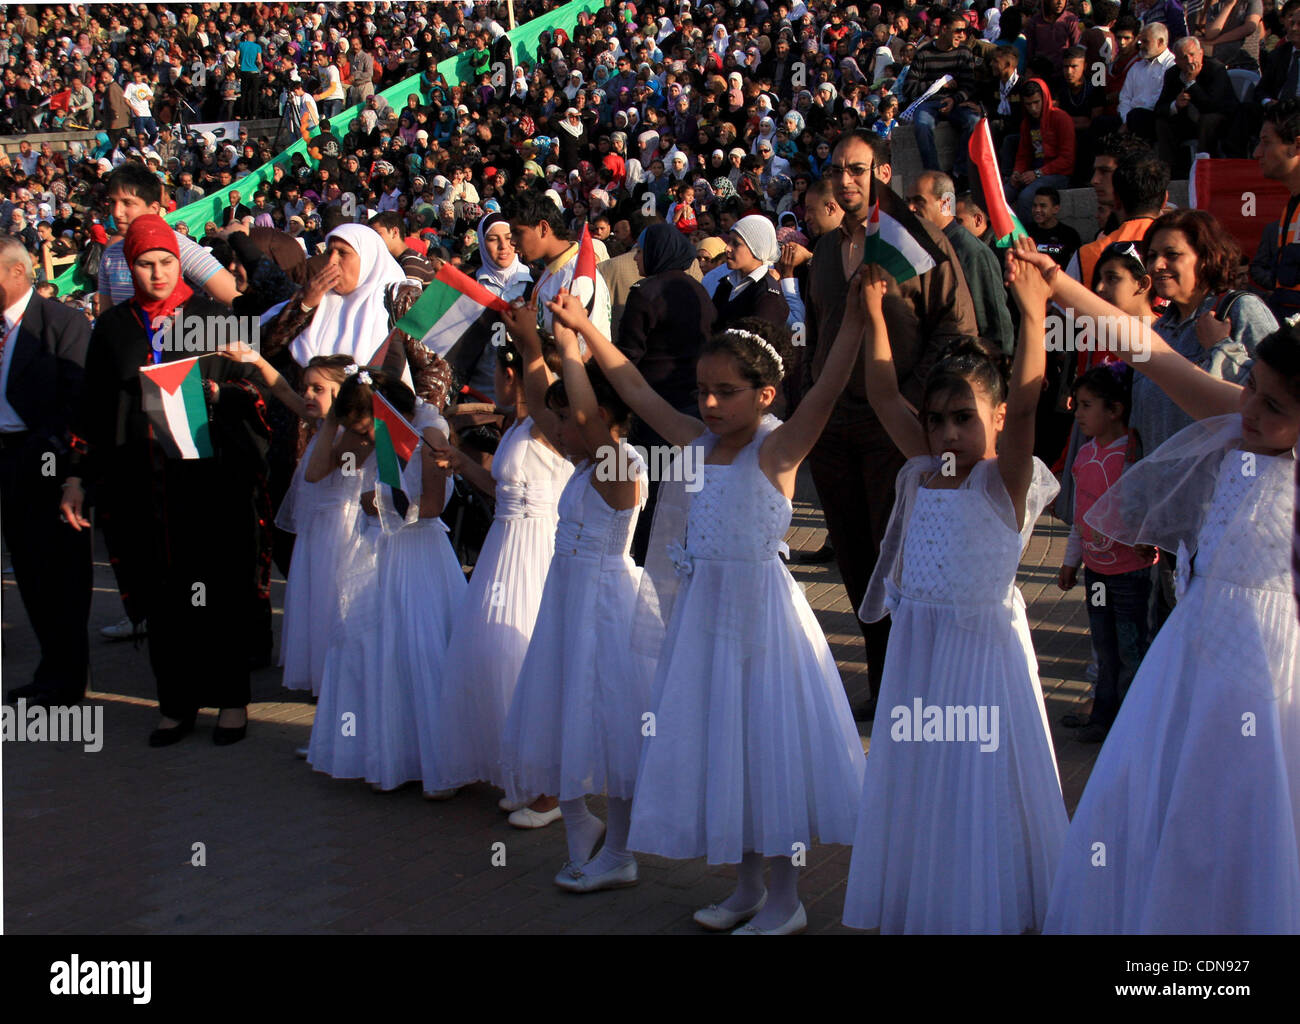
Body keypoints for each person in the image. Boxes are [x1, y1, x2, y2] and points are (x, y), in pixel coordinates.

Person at [553, 281, 866, 931]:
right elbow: (636, 389)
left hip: (761, 625)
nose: (712, 402)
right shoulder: (696, 442)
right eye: (704, 390)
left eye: (727, 391)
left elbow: (829, 392)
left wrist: (859, 324)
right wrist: (584, 330)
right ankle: (747, 887)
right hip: (705, 624)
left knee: (766, 748)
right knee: (729, 750)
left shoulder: (775, 449)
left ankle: (787, 896)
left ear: (767, 395)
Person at [1017, 245, 1300, 933]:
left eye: (1274, 405)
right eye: (1252, 388)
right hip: (1190, 664)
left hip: (1267, 680)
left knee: (1242, 821)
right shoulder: (1237, 420)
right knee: (1164, 802)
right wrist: (1063, 290)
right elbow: (1149, 352)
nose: (1252, 410)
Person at [842, 240, 1067, 934]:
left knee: (980, 781)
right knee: (926, 778)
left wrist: (1034, 318)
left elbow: (1029, 409)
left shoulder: (1003, 482)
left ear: (996, 419)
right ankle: (933, 894)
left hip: (981, 659)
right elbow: (882, 390)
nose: (945, 431)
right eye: (937, 418)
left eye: (963, 418)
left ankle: (987, 902)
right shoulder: (921, 467)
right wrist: (875, 316)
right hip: (918, 654)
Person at [61, 215, 270, 747]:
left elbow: (259, 393)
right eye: (145, 263)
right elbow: (92, 407)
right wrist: (76, 477)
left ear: (182, 263)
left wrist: (222, 397)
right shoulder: (113, 328)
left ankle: (230, 700)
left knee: (217, 589)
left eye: (166, 262)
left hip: (208, 485)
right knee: (165, 597)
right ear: (129, 266)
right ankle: (176, 704)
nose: (157, 273)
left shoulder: (215, 317)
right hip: (141, 486)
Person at [805, 130, 978, 714]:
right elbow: (818, 334)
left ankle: (913, 687)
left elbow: (956, 332)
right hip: (834, 432)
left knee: (898, 558)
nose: (845, 180)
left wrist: (905, 400)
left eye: (857, 169)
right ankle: (883, 683)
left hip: (894, 430)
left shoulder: (919, 241)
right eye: (836, 171)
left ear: (881, 172)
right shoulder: (826, 250)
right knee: (854, 563)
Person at [497, 295, 649, 878]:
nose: (555, 429)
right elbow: (546, 408)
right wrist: (534, 347)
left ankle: (621, 853)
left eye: (568, 419)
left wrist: (569, 346)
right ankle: (580, 819)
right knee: (567, 713)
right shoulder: (583, 464)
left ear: (604, 421)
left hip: (605, 608)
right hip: (568, 601)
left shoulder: (621, 468)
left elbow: (580, 419)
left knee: (614, 729)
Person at [427, 338, 573, 810]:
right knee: (488, 652)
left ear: (517, 376)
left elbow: (539, 380)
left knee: (522, 654)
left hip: (538, 548)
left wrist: (530, 342)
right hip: (503, 548)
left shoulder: (550, 428)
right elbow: (501, 489)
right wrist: (463, 462)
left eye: (498, 372)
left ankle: (546, 790)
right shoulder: (513, 426)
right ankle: (514, 770)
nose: (492, 381)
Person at [0, 238, 92, 709]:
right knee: (29, 577)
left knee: (58, 577)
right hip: (6, 459)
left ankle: (67, 677)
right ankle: (49, 670)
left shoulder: (61, 323)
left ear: (19, 273)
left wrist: (67, 470)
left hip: (45, 463)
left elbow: (77, 402)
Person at [1056, 362, 1156, 744]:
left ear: (1114, 410)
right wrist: (1070, 561)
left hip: (1131, 575)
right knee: (1105, 646)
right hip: (1097, 576)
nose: (1077, 412)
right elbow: (1082, 518)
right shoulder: (1083, 458)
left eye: (1086, 405)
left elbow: (1150, 508)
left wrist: (1151, 539)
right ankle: (1103, 716)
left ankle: (1133, 724)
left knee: (1132, 648)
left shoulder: (1133, 456)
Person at [620, 223, 718, 563]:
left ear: (658, 253)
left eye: (641, 250)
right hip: (693, 412)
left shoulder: (645, 294)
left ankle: (650, 567)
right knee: (686, 497)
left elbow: (627, 358)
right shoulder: (699, 291)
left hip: (653, 413)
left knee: (652, 497)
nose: (635, 256)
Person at [98, 164, 239, 308]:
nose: (117, 212)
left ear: (153, 208)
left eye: (127, 203)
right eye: (113, 202)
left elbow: (236, 297)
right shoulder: (111, 255)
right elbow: (106, 319)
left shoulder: (179, 246)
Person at [908, 170, 1014, 354]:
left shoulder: (971, 252)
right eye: (908, 201)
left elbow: (995, 324)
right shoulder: (920, 246)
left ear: (946, 203)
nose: (910, 208)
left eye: (918, 201)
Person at [1154, 36, 1238, 175]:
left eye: (1192, 55)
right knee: (1162, 123)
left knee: (1208, 120)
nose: (1189, 61)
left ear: (1201, 53)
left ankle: (1204, 170)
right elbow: (1160, 108)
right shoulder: (1172, 74)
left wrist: (1191, 83)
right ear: (1176, 61)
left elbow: (1213, 105)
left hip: (1220, 120)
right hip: (1188, 121)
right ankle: (1168, 172)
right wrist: (1175, 105)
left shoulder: (1216, 69)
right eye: (1183, 57)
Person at [1005, 79, 1076, 225]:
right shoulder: (1027, 123)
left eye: (1036, 102)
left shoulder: (1061, 118)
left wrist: (1038, 173)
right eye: (1028, 104)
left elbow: (1067, 159)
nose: (1033, 108)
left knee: (1026, 198)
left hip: (1057, 174)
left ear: (1044, 98)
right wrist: (1017, 172)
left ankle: (1029, 238)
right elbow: (1023, 154)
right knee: (1002, 194)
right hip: (1033, 173)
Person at [710, 214, 788, 332]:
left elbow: (756, 345)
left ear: (756, 248)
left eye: (736, 243)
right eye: (729, 241)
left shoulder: (767, 296)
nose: (727, 248)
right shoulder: (726, 284)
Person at [1026, 187, 1083, 268]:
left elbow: (1076, 266)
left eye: (1043, 206)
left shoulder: (1069, 235)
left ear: (1055, 209)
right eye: (1035, 206)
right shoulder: (1025, 231)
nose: (1037, 210)